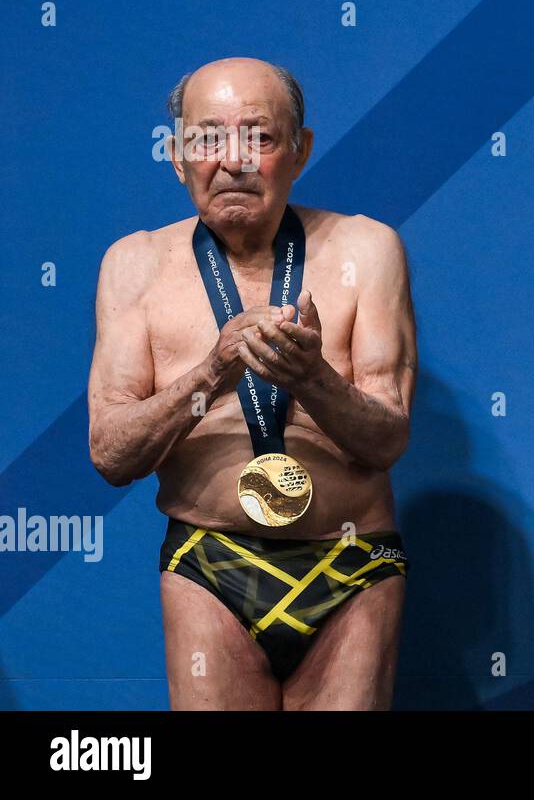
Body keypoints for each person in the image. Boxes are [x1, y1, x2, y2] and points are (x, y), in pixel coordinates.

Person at [87, 58, 417, 710]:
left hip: (351, 566)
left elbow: (387, 440)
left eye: (260, 138)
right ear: (178, 156)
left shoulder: (367, 250)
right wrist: (213, 370)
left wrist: (313, 379)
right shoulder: (134, 266)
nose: (233, 160)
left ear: (301, 151)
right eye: (208, 139)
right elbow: (111, 455)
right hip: (211, 568)